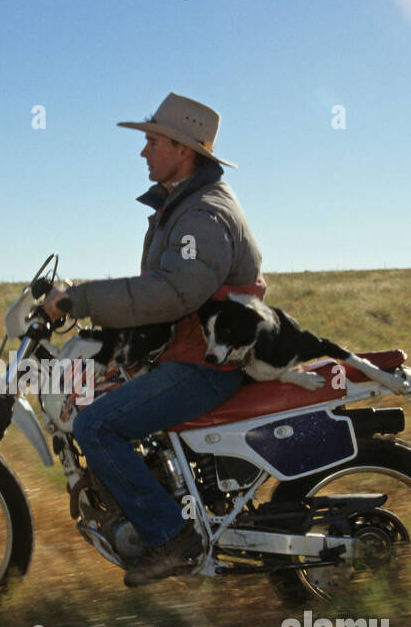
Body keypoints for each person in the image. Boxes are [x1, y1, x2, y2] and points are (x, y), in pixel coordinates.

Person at [43, 92, 266, 586]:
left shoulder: (203, 214)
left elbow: (172, 293)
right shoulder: (184, 207)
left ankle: (171, 537)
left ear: (183, 150)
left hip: (207, 363)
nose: (143, 151)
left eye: (151, 141)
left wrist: (81, 300)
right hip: (191, 351)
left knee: (97, 427)